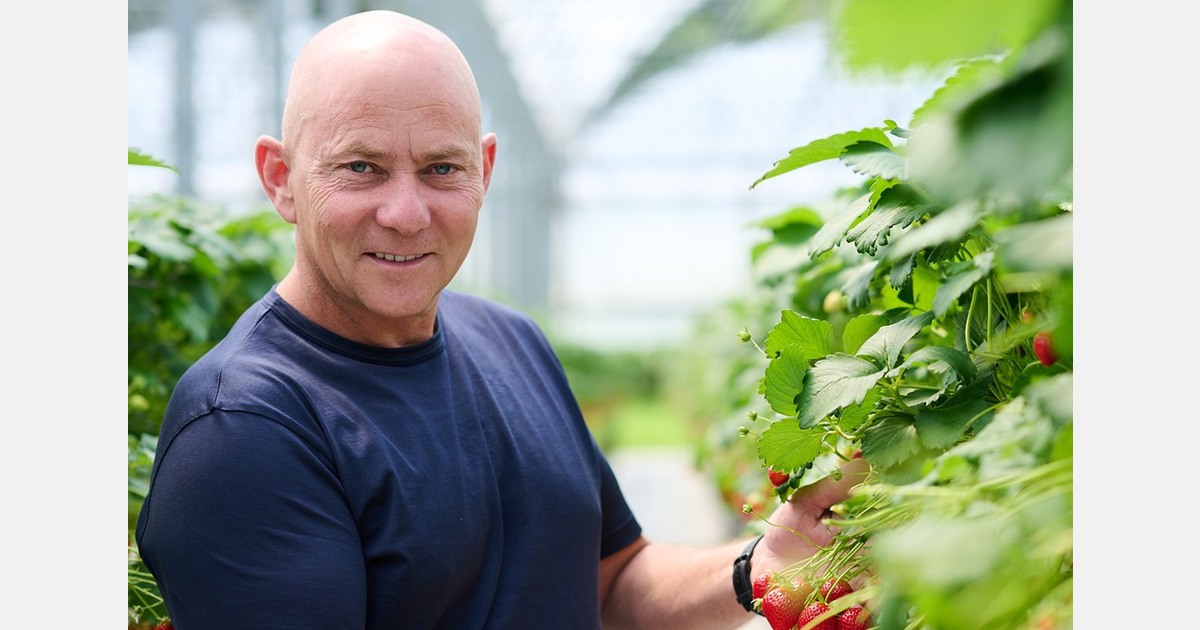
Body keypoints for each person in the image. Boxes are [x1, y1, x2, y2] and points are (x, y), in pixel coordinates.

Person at [134, 9, 869, 629]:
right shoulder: (248, 427)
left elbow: (612, 581)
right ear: (280, 179)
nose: (405, 212)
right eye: (360, 167)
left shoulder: (511, 342)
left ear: (485, 171)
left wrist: (754, 568)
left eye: (441, 169)